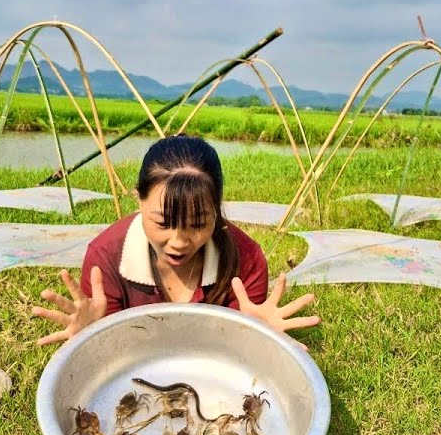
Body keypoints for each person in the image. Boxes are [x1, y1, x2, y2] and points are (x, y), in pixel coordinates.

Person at [32, 134, 319, 349]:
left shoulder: (245, 259)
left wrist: (256, 336)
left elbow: (233, 354)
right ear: (139, 200)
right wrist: (93, 336)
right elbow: (116, 355)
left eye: (198, 224)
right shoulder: (106, 257)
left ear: (217, 209)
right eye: (162, 223)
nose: (179, 242)